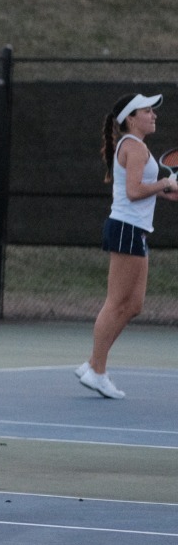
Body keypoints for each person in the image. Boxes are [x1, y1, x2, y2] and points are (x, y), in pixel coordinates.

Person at [79, 92, 178, 399]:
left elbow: (135, 189)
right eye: (148, 111)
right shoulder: (133, 147)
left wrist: (165, 192)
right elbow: (134, 191)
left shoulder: (138, 147)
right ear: (132, 119)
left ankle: (92, 366)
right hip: (125, 228)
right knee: (115, 302)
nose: (154, 116)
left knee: (134, 305)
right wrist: (164, 183)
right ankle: (97, 370)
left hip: (135, 230)